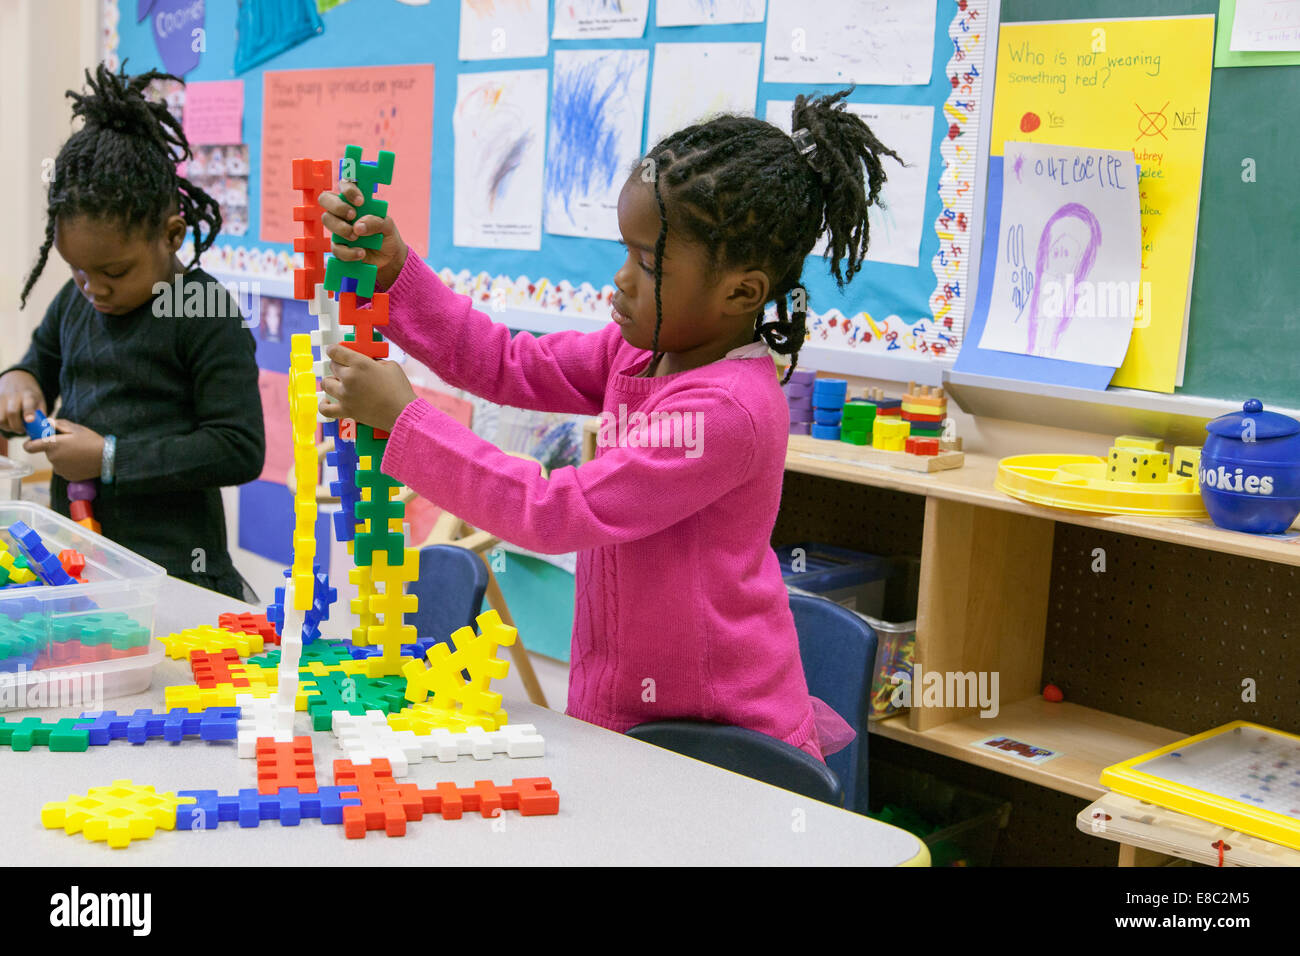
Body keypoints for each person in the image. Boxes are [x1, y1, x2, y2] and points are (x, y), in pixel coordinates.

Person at [318, 88, 900, 759]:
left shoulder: (727, 410)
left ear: (741, 291)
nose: (620, 280)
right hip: (627, 713)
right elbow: (507, 363)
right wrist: (396, 275)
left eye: (648, 264)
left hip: (719, 741)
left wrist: (406, 422)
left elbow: (555, 510)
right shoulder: (642, 351)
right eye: (627, 252)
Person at [0, 64, 264, 601]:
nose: (94, 288)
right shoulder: (77, 299)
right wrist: (17, 380)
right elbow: (39, 361)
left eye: (115, 273)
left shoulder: (204, 310)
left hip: (179, 578)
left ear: (171, 236)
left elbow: (238, 447)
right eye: (78, 270)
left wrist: (109, 458)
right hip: (76, 568)